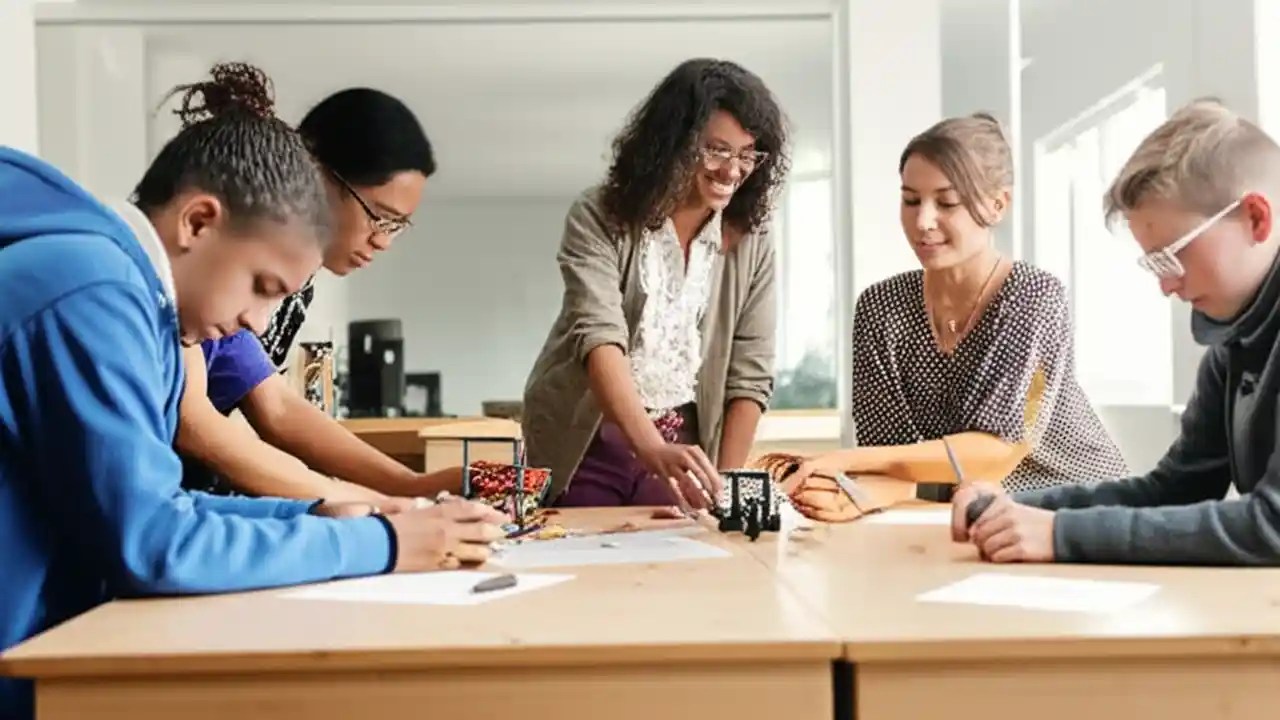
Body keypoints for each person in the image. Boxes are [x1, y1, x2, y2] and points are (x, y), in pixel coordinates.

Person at [0, 62, 505, 720]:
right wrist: (383, 546)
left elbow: (161, 507)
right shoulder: (96, 292)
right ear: (199, 222)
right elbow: (154, 544)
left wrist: (327, 516)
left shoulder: (139, 302)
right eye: (263, 288)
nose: (256, 324)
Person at [951, 100, 1280, 565]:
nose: (1167, 285)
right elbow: (1177, 488)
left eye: (1173, 255)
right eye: (1154, 264)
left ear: (1256, 218)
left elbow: (1272, 526)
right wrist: (1017, 509)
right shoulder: (1236, 338)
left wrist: (1062, 535)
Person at [767, 113, 1127, 520]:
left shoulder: (1033, 297)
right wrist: (858, 492)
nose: (923, 221)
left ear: (998, 204)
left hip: (1075, 512)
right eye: (910, 200)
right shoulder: (881, 307)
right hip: (965, 513)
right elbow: (888, 454)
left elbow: (996, 453)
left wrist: (849, 466)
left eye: (947, 202)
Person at [522, 58, 788, 510]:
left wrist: (721, 488)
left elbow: (750, 373)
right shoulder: (599, 215)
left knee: (684, 564)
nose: (732, 171)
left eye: (747, 155)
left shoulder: (753, 242)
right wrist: (650, 448)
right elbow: (598, 336)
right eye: (716, 150)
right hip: (585, 442)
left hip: (685, 448)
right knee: (583, 563)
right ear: (673, 143)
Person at [177, 86, 454, 505]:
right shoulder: (188, 274)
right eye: (378, 217)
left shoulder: (265, 282)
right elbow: (195, 423)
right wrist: (386, 503)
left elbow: (277, 407)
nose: (383, 241)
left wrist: (406, 486)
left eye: (396, 226)